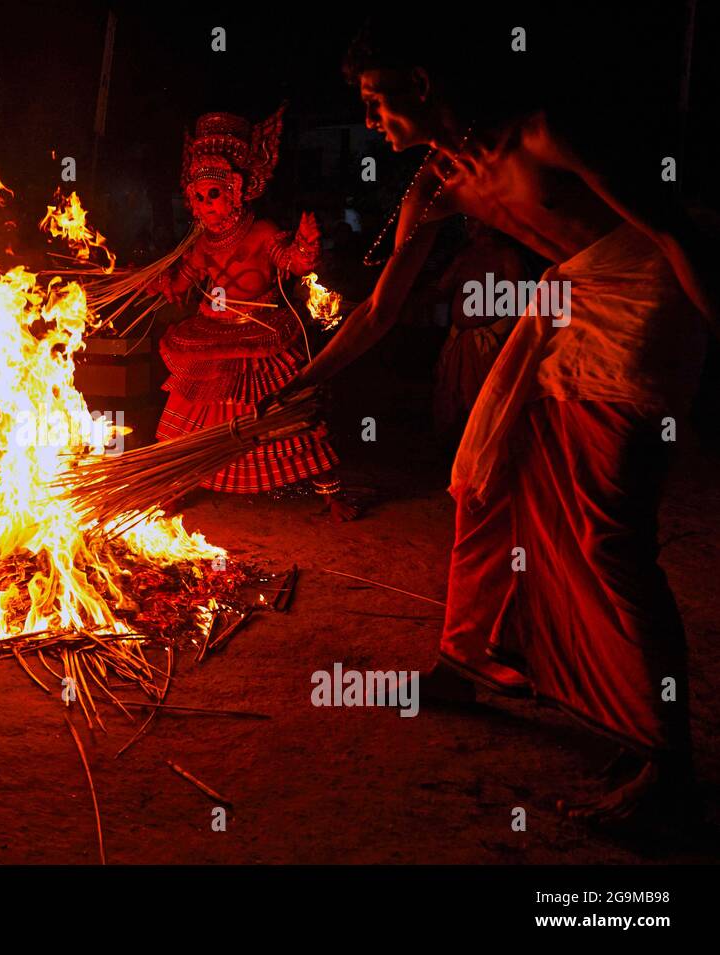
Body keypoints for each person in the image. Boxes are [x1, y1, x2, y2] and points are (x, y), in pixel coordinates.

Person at [262, 13, 716, 827]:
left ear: (423, 84)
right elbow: (380, 310)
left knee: (607, 531)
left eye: (376, 100)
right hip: (570, 302)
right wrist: (305, 380)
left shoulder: (545, 135)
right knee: (486, 482)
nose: (369, 121)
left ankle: (667, 760)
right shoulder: (435, 184)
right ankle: (465, 659)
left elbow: (670, 226)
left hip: (645, 294)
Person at [148, 109, 356, 520]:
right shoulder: (202, 245)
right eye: (198, 196)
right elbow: (180, 285)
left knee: (285, 414)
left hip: (258, 333)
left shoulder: (261, 231)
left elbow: (292, 262)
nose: (205, 205)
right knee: (188, 417)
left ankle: (330, 493)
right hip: (209, 334)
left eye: (213, 194)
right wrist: (157, 283)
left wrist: (306, 247)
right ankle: (177, 482)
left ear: (237, 190)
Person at [431, 220, 528, 441]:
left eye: (475, 221)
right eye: (467, 222)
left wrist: (501, 329)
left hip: (490, 338)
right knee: (452, 398)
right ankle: (453, 449)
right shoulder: (464, 255)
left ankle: (485, 445)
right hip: (460, 338)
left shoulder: (507, 254)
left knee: (486, 399)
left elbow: (518, 299)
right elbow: (442, 289)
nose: (470, 226)